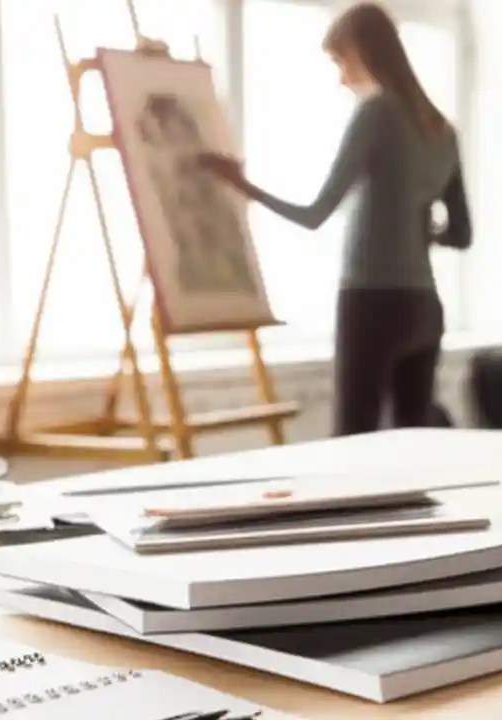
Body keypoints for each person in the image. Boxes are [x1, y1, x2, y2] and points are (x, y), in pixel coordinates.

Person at [201, 2, 472, 436]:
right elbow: (461, 233)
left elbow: (314, 214)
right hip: (423, 307)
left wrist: (241, 184)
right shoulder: (442, 128)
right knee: (415, 442)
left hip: (372, 302)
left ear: (362, 52)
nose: (340, 76)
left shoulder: (377, 112)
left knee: (352, 439)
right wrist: (415, 224)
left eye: (339, 61)